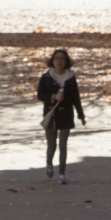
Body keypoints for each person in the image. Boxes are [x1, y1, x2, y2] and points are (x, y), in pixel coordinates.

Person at [37, 48, 85, 183]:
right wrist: (53, 96)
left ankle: (62, 173)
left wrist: (81, 115)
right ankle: (49, 164)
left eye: (62, 59)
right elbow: (40, 95)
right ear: (52, 61)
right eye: (57, 58)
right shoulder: (46, 77)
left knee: (63, 145)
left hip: (66, 114)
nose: (59, 61)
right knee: (51, 145)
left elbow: (76, 97)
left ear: (66, 62)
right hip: (51, 115)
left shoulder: (70, 77)